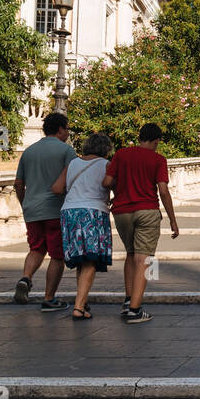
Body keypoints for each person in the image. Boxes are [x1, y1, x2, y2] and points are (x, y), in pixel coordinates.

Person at [103, 123, 179, 324]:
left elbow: (107, 182)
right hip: (147, 211)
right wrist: (172, 219)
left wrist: (120, 191)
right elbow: (163, 191)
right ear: (156, 141)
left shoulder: (121, 154)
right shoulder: (158, 159)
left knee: (130, 254)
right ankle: (136, 310)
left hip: (122, 212)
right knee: (146, 259)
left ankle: (129, 300)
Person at [12, 113, 77, 311]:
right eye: (66, 129)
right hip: (56, 209)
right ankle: (49, 298)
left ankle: (26, 278)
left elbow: (18, 183)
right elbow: (75, 178)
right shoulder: (66, 150)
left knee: (36, 248)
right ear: (59, 129)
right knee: (57, 256)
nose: (68, 133)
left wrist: (25, 203)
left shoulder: (29, 151)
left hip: (32, 208)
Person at [52, 132, 114, 320]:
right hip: (92, 212)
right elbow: (112, 185)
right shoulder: (105, 164)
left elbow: (56, 188)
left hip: (69, 212)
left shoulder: (73, 163)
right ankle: (78, 307)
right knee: (91, 260)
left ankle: (82, 300)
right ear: (105, 149)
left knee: (82, 259)